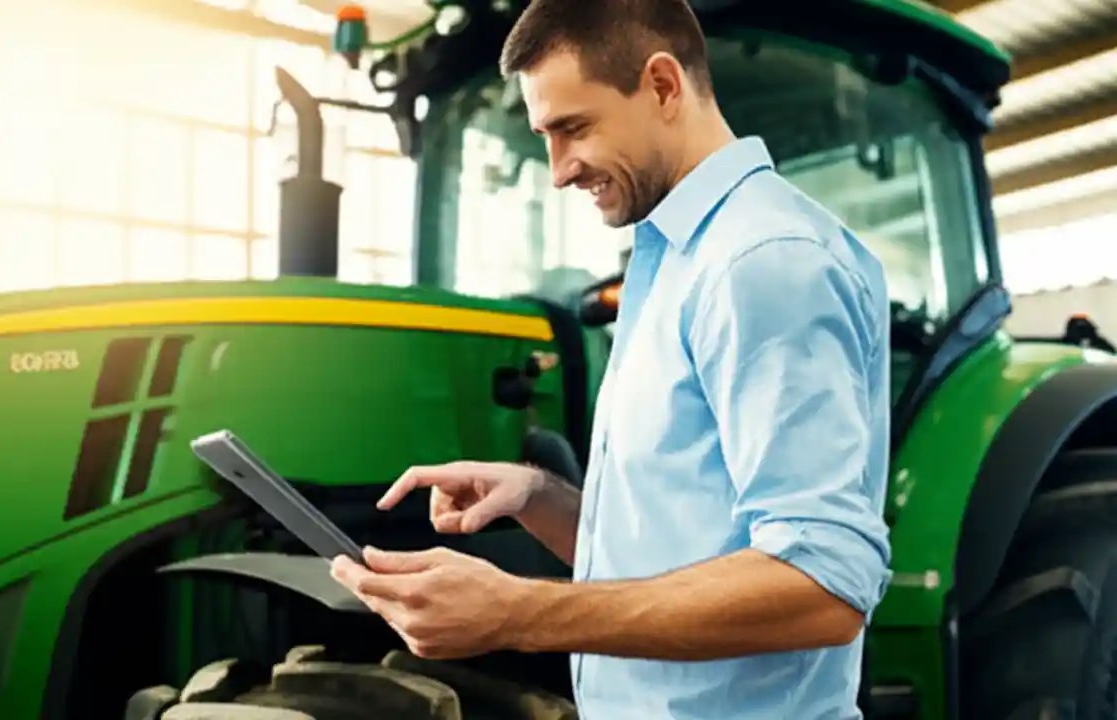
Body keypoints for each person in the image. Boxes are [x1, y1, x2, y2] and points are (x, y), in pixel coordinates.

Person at [330, 0, 892, 716]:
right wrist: (542, 497)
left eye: (573, 128)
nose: (558, 171)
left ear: (662, 86)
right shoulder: (671, 258)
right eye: (543, 136)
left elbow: (822, 586)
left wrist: (516, 613)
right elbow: (684, 546)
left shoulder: (762, 263)